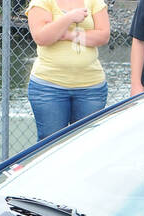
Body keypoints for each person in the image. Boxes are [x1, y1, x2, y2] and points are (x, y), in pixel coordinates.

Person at [25, 0, 111, 140]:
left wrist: (68, 35)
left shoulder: (95, 2)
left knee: (87, 143)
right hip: (48, 87)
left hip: (91, 88)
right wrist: (69, 18)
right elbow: (42, 37)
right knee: (50, 144)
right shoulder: (41, 2)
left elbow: (103, 36)